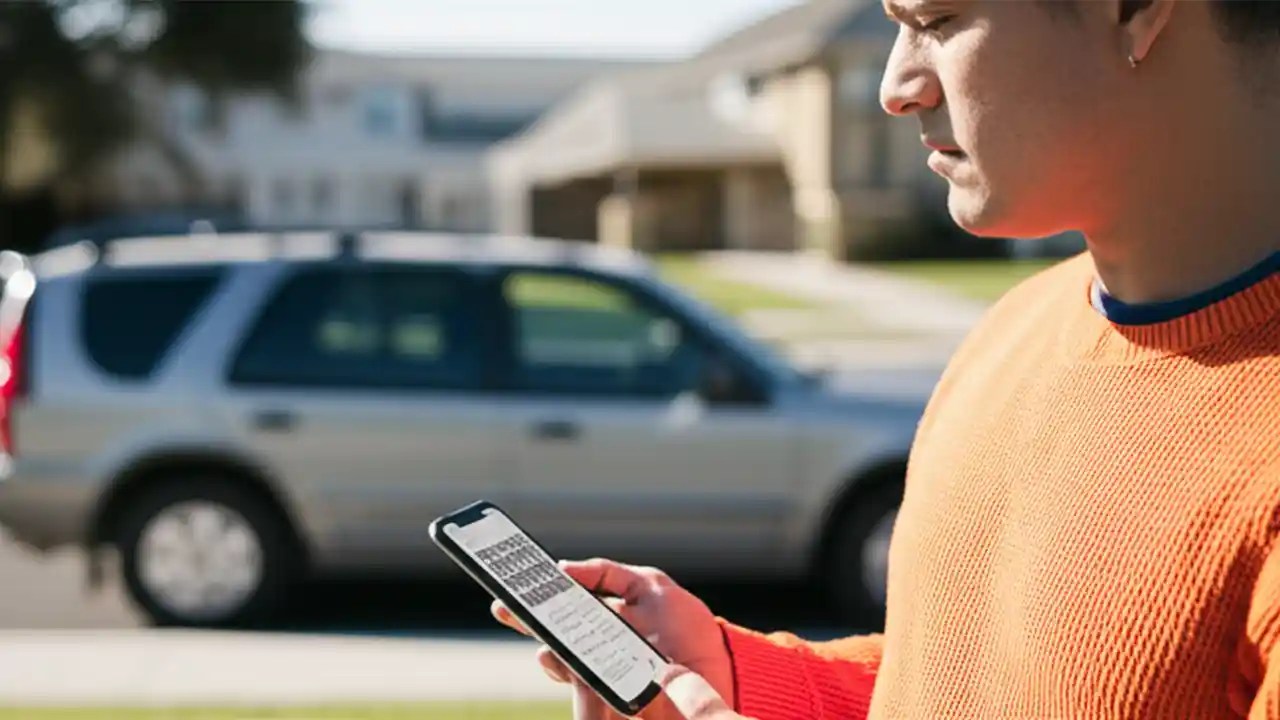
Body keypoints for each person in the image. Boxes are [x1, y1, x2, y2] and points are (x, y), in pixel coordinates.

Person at [493, 0, 1280, 717]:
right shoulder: (1015, 330)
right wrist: (740, 677)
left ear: (1134, 9)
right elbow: (949, 686)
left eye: (936, 21)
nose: (896, 89)